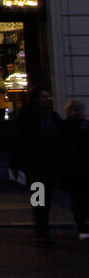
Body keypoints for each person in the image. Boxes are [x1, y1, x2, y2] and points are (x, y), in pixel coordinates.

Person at [12, 88, 61, 242]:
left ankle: (43, 227)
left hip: (49, 166)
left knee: (47, 199)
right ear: (35, 99)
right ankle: (41, 229)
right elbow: (17, 141)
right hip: (34, 167)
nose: (47, 100)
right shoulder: (27, 117)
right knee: (38, 199)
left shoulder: (52, 116)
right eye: (44, 97)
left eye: (48, 97)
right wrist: (16, 163)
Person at [59, 100, 89, 241]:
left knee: (79, 200)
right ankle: (82, 226)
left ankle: (82, 226)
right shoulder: (67, 128)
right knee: (79, 200)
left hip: (76, 169)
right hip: (75, 170)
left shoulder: (65, 127)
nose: (79, 113)